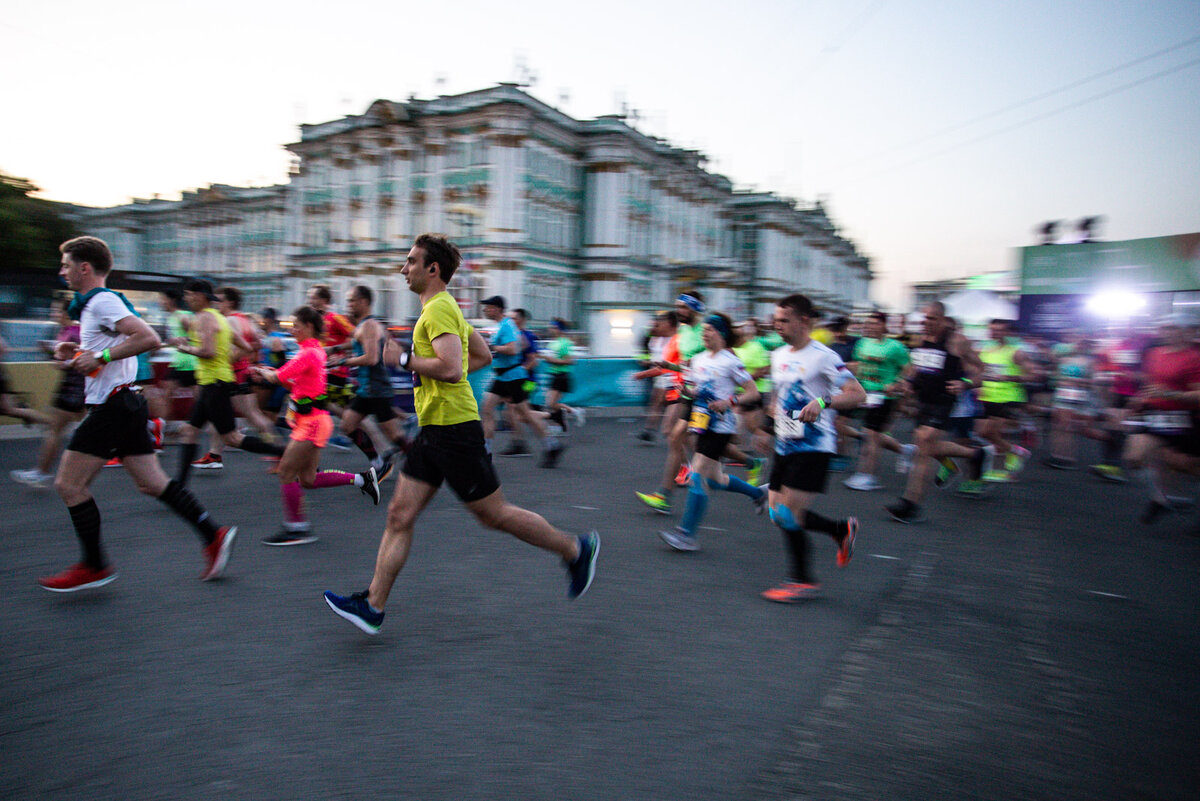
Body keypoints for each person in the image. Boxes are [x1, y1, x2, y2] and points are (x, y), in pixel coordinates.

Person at [323, 234, 599, 635]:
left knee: (494, 515)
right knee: (399, 514)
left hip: (454, 431)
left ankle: (576, 549)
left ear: (432, 269)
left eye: (411, 261)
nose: (404, 269)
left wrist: (403, 358)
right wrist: (429, 373)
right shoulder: (444, 308)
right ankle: (373, 605)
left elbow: (453, 368)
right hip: (435, 429)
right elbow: (482, 357)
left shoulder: (436, 311)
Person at [39, 236, 236, 592]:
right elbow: (113, 348)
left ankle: (95, 565)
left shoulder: (101, 301)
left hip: (113, 407)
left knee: (68, 484)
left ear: (85, 268)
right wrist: (79, 352)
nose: (61, 271)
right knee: (152, 483)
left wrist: (98, 358)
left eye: (66, 265)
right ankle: (213, 534)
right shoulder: (97, 306)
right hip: (125, 402)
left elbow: (147, 338)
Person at [755, 294, 864, 603]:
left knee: (788, 513)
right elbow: (778, 397)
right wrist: (766, 427)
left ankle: (802, 581)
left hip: (815, 444)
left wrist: (822, 401)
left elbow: (858, 395)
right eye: (775, 320)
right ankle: (840, 530)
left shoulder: (823, 356)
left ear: (804, 321)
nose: (777, 326)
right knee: (778, 514)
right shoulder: (778, 355)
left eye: (784, 320)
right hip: (786, 441)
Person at [251, 306, 381, 545]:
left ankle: (297, 528)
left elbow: (278, 378)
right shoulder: (313, 351)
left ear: (308, 327)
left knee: (287, 473)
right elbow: (297, 385)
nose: (293, 331)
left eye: (296, 326)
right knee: (308, 479)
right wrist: (271, 373)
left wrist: (261, 371)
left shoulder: (308, 353)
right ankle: (363, 480)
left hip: (311, 423)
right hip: (313, 421)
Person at [658, 312, 767, 552]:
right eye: (703, 331)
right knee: (716, 481)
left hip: (721, 427)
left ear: (721, 334)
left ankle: (687, 535)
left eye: (709, 330)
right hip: (701, 423)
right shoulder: (699, 359)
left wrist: (730, 401)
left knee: (696, 476)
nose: (704, 334)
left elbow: (752, 392)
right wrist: (687, 390)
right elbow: (694, 388)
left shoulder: (730, 360)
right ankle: (758, 494)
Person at [885, 301, 991, 522]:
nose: (926, 323)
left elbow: (982, 369)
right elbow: (915, 368)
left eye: (932, 319)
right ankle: (976, 454)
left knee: (923, 447)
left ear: (943, 319)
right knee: (926, 445)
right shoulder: (921, 339)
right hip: (923, 401)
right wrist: (905, 382)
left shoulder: (957, 341)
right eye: (924, 319)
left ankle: (911, 504)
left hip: (944, 401)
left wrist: (966, 383)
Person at [171, 279, 285, 482]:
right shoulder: (220, 318)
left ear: (199, 296)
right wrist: (226, 359)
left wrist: (184, 348)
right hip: (213, 383)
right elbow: (247, 347)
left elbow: (208, 351)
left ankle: (284, 452)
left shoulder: (206, 317)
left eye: (189, 295)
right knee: (189, 431)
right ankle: (180, 484)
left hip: (215, 384)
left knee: (232, 438)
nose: (186, 299)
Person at [1123, 314, 1200, 524]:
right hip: (1155, 414)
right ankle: (1160, 499)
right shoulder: (1154, 353)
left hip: (1185, 418)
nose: (1166, 331)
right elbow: (1151, 384)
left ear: (1184, 331)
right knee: (1134, 457)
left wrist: (1171, 395)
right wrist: (1138, 400)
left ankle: (1170, 496)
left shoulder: (1194, 357)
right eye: (1163, 327)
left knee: (1186, 466)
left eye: (1171, 327)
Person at [332, 285, 414, 478]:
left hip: (376, 388)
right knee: (347, 425)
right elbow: (364, 347)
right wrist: (334, 350)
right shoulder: (366, 325)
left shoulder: (369, 325)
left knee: (395, 436)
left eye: (352, 301)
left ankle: (426, 463)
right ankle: (379, 463)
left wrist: (343, 360)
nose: (349, 305)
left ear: (363, 302)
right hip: (366, 389)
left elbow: (371, 358)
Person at [479, 295, 563, 465]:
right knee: (488, 408)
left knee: (522, 413)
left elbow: (512, 350)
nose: (484, 310)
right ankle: (486, 451)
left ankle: (551, 443)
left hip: (515, 377)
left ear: (496, 308)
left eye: (487, 307)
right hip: (504, 376)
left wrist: (492, 347)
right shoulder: (504, 326)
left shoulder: (507, 325)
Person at [11, 297, 85, 487]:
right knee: (59, 429)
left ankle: (42, 472)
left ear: (66, 313)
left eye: (56, 311)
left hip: (74, 388)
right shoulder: (66, 332)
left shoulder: (73, 332)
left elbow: (74, 361)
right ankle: (45, 472)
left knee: (55, 430)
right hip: (71, 387)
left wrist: (56, 358)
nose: (53, 314)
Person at [205, 286, 281, 464]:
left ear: (230, 302)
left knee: (248, 416)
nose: (217, 304)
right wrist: (250, 363)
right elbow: (257, 343)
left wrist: (226, 362)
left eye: (220, 300)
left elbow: (240, 348)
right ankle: (214, 455)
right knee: (249, 415)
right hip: (242, 372)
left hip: (233, 375)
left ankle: (280, 451)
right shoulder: (246, 319)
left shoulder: (230, 320)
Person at [842, 311, 911, 491]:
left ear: (884, 326)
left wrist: (898, 383)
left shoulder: (895, 347)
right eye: (868, 323)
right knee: (874, 435)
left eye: (874, 324)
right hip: (866, 394)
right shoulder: (862, 343)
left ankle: (867, 475)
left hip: (885, 396)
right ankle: (905, 450)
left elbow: (910, 369)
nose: (870, 327)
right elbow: (858, 366)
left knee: (870, 434)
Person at [976, 318, 1033, 482]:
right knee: (984, 434)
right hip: (989, 396)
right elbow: (980, 372)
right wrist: (978, 386)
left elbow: (1032, 375)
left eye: (1000, 330)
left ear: (1007, 333)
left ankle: (1011, 461)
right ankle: (1014, 454)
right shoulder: (985, 350)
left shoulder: (1016, 352)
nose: (995, 333)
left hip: (1009, 397)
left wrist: (1010, 377)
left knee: (990, 432)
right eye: (993, 329)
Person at [308, 284, 357, 449]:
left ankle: (351, 427)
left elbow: (356, 336)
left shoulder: (335, 318)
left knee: (320, 400)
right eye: (309, 298)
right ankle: (348, 431)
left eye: (314, 298)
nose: (310, 301)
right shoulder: (314, 323)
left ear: (324, 300)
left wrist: (338, 351)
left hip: (336, 370)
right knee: (329, 404)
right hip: (323, 370)